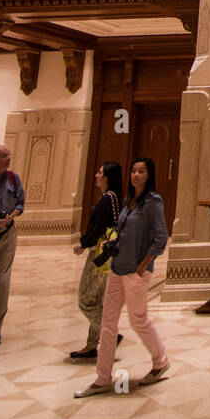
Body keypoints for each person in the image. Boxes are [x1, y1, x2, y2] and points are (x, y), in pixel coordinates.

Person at [74, 157, 169, 397]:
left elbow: (160, 238)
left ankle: (160, 361)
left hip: (136, 271)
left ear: (149, 175)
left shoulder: (152, 202)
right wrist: (113, 243)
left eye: (141, 171)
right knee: (108, 323)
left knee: (138, 320)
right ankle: (102, 377)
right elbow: (124, 231)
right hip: (117, 268)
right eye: (133, 171)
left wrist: (143, 265)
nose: (135, 175)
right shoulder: (128, 201)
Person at [70, 161, 124, 360]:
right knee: (96, 300)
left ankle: (109, 334)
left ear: (107, 177)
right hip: (108, 253)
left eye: (100, 172)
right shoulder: (114, 198)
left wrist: (83, 244)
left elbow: (99, 228)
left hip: (99, 254)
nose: (96, 175)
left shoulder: (106, 200)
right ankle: (92, 345)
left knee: (86, 300)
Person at [0, 143, 25, 351]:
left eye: (9, 154)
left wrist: (10, 217)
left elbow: (21, 202)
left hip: (7, 234)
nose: (9, 158)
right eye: (4, 155)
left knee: (2, 282)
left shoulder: (13, 178)